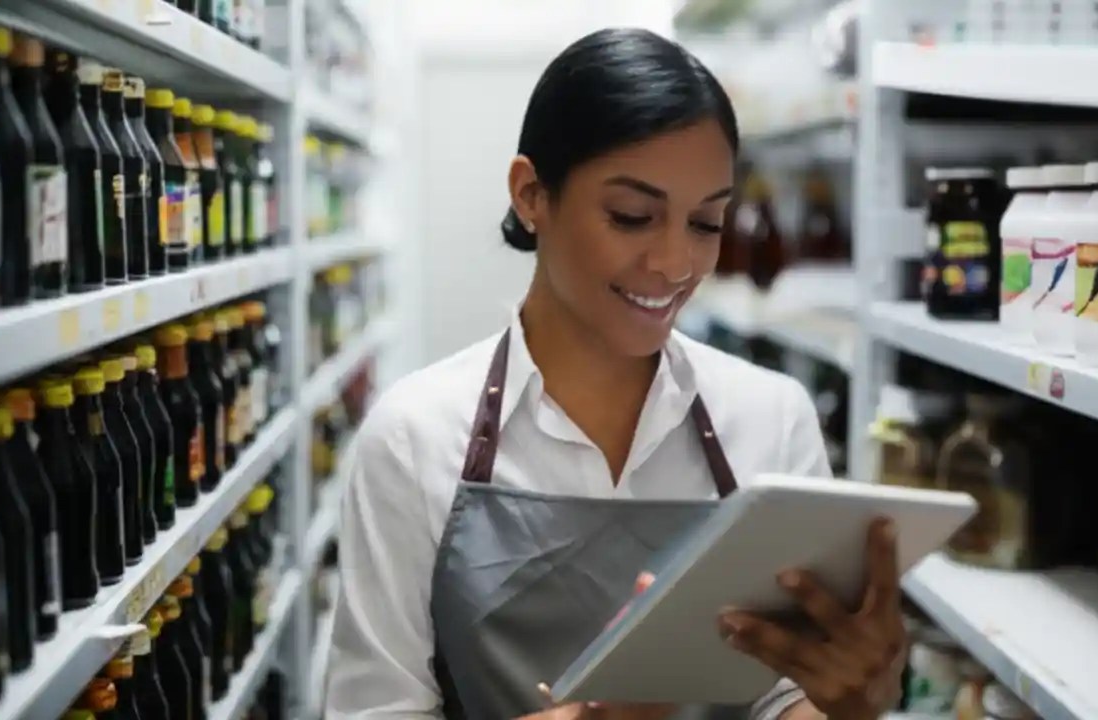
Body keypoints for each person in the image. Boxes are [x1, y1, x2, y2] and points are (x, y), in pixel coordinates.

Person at [325, 27, 905, 720]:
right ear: (532, 194)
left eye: (706, 223)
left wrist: (849, 700)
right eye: (633, 217)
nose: (675, 263)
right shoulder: (413, 438)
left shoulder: (772, 418)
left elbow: (787, 698)